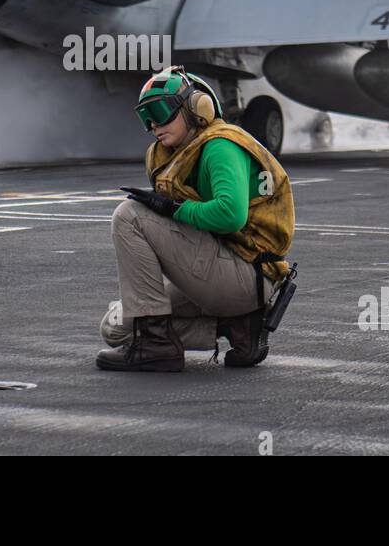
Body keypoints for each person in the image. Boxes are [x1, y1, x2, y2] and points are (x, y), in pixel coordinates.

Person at [96, 66, 295, 372]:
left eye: (160, 112)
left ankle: (156, 345)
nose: (153, 125)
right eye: (145, 117)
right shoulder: (176, 151)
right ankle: (235, 327)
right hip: (224, 272)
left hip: (245, 271)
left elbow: (230, 215)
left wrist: (174, 209)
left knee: (129, 215)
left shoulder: (220, 145)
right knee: (116, 329)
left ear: (196, 107)